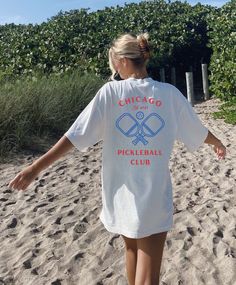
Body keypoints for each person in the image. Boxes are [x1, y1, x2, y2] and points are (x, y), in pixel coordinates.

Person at [8, 32, 226, 285]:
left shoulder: (110, 93)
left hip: (119, 195)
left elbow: (75, 135)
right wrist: (217, 142)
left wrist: (36, 168)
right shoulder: (169, 94)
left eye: (113, 65)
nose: (114, 71)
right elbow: (197, 131)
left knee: (132, 254)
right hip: (152, 195)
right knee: (147, 275)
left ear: (122, 60)